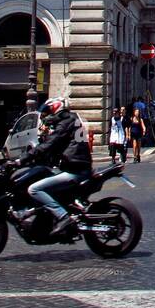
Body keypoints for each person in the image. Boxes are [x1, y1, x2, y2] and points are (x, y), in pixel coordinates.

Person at [25, 96, 92, 234]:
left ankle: (63, 217)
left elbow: (50, 144)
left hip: (75, 169)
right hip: (79, 165)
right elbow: (59, 145)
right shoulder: (73, 119)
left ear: (56, 108)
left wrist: (25, 157)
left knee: (34, 189)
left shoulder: (65, 122)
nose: (48, 116)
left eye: (49, 112)